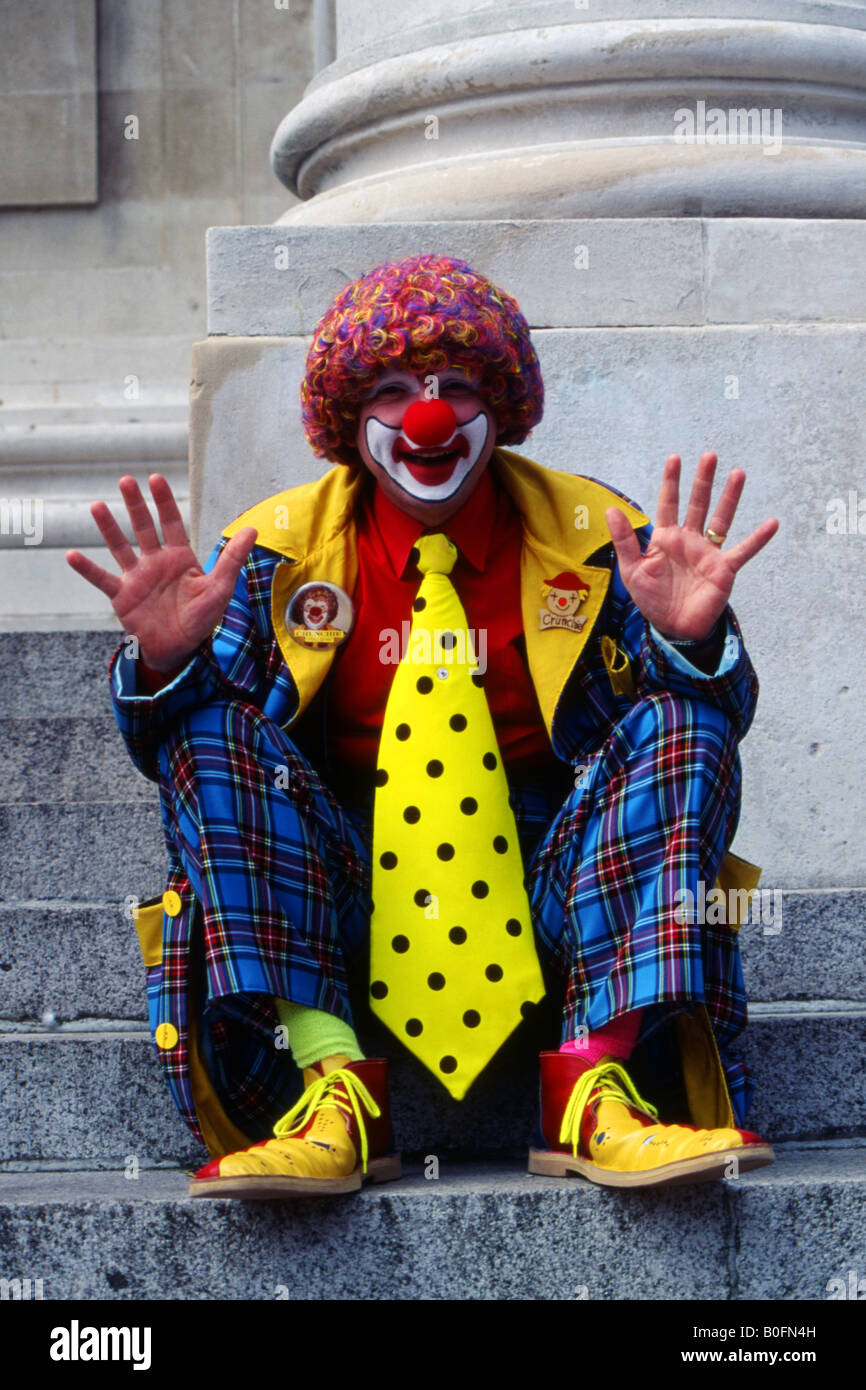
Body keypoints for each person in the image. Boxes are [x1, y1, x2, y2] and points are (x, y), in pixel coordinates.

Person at [66, 253, 779, 1197]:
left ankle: (593, 1087)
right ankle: (333, 1090)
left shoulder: (595, 536)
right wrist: (165, 665)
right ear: (351, 421)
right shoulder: (277, 550)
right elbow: (175, 757)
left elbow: (705, 736)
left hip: (551, 891)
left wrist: (693, 643)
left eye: (454, 387)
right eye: (394, 391)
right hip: (351, 891)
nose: (426, 418)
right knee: (209, 732)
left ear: (501, 405)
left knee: (684, 716)